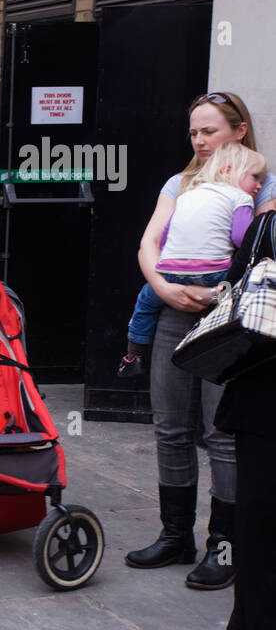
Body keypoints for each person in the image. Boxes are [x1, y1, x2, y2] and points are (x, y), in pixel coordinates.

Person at [126, 90, 276, 589]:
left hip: (228, 320)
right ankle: (175, 536)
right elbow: (150, 241)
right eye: (193, 131)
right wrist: (164, 286)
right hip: (172, 310)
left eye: (209, 130)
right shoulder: (180, 180)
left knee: (221, 434)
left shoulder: (262, 182)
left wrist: (214, 293)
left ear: (239, 131)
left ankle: (225, 546)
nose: (199, 140)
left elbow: (255, 252)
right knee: (170, 426)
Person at [118, 142, 267, 377]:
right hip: (212, 273)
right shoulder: (241, 197)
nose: (259, 185)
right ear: (228, 171)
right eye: (255, 177)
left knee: (146, 301)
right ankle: (213, 296)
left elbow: (167, 234)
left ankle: (134, 354)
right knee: (234, 289)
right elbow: (242, 238)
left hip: (171, 270)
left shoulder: (188, 194)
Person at [216, 212, 276, 630]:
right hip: (265, 409)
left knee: (260, 542)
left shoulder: (265, 228)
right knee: (259, 542)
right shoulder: (265, 227)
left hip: (263, 406)